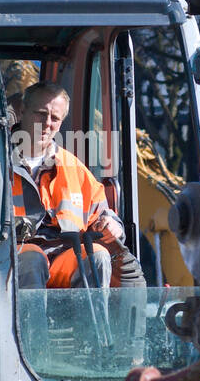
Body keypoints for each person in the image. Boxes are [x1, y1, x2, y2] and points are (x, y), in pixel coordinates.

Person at [11, 81, 142, 289]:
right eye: (40, 113)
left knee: (97, 256)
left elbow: (104, 214)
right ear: (22, 111)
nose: (47, 124)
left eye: (55, 118)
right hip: (12, 259)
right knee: (31, 259)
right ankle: (27, 323)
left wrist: (112, 224)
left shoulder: (75, 169)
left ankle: (89, 322)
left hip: (63, 257)